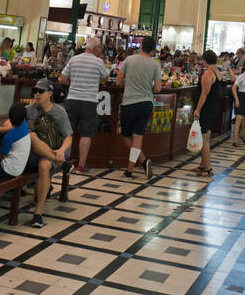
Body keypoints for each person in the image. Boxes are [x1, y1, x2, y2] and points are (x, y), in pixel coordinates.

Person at [25, 77, 73, 227]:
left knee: (45, 165)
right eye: (35, 91)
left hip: (56, 150)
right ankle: (63, 164)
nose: (37, 94)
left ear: (50, 94)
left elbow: (68, 137)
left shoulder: (60, 112)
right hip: (35, 153)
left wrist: (61, 151)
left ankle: (38, 213)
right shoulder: (28, 110)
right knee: (32, 136)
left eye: (41, 91)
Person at [59, 36, 109, 174]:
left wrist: (73, 85)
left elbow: (62, 78)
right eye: (100, 47)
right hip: (89, 101)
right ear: (95, 48)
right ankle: (81, 165)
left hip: (72, 99)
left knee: (68, 132)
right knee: (86, 133)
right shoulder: (98, 62)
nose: (101, 49)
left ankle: (63, 162)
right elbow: (105, 79)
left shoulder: (74, 59)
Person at [115, 35, 161, 181]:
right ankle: (133, 168)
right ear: (153, 50)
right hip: (146, 103)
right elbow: (158, 88)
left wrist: (128, 85)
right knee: (138, 137)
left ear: (141, 46)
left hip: (129, 103)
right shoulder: (155, 65)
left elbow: (118, 82)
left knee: (126, 135)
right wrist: (147, 87)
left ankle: (142, 162)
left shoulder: (129, 59)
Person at [0, 101, 32, 178]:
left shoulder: (8, 137)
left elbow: (2, 155)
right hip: (20, 169)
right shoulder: (25, 125)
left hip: (8, 170)